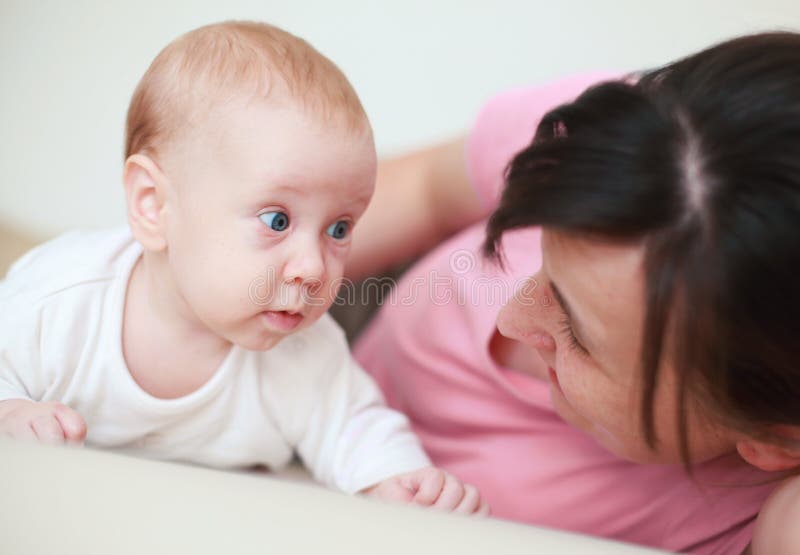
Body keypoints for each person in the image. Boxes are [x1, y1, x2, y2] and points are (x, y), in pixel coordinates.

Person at [0, 20, 488, 514]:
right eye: (277, 220)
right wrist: (10, 410)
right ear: (153, 206)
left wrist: (400, 479)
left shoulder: (303, 354)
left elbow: (355, 425)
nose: (313, 268)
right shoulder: (61, 301)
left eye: (339, 229)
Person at [348, 33, 800, 553]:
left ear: (777, 437)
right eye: (541, 247)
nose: (511, 317)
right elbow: (426, 190)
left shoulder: (765, 511)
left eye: (578, 337)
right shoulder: (631, 144)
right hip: (369, 297)